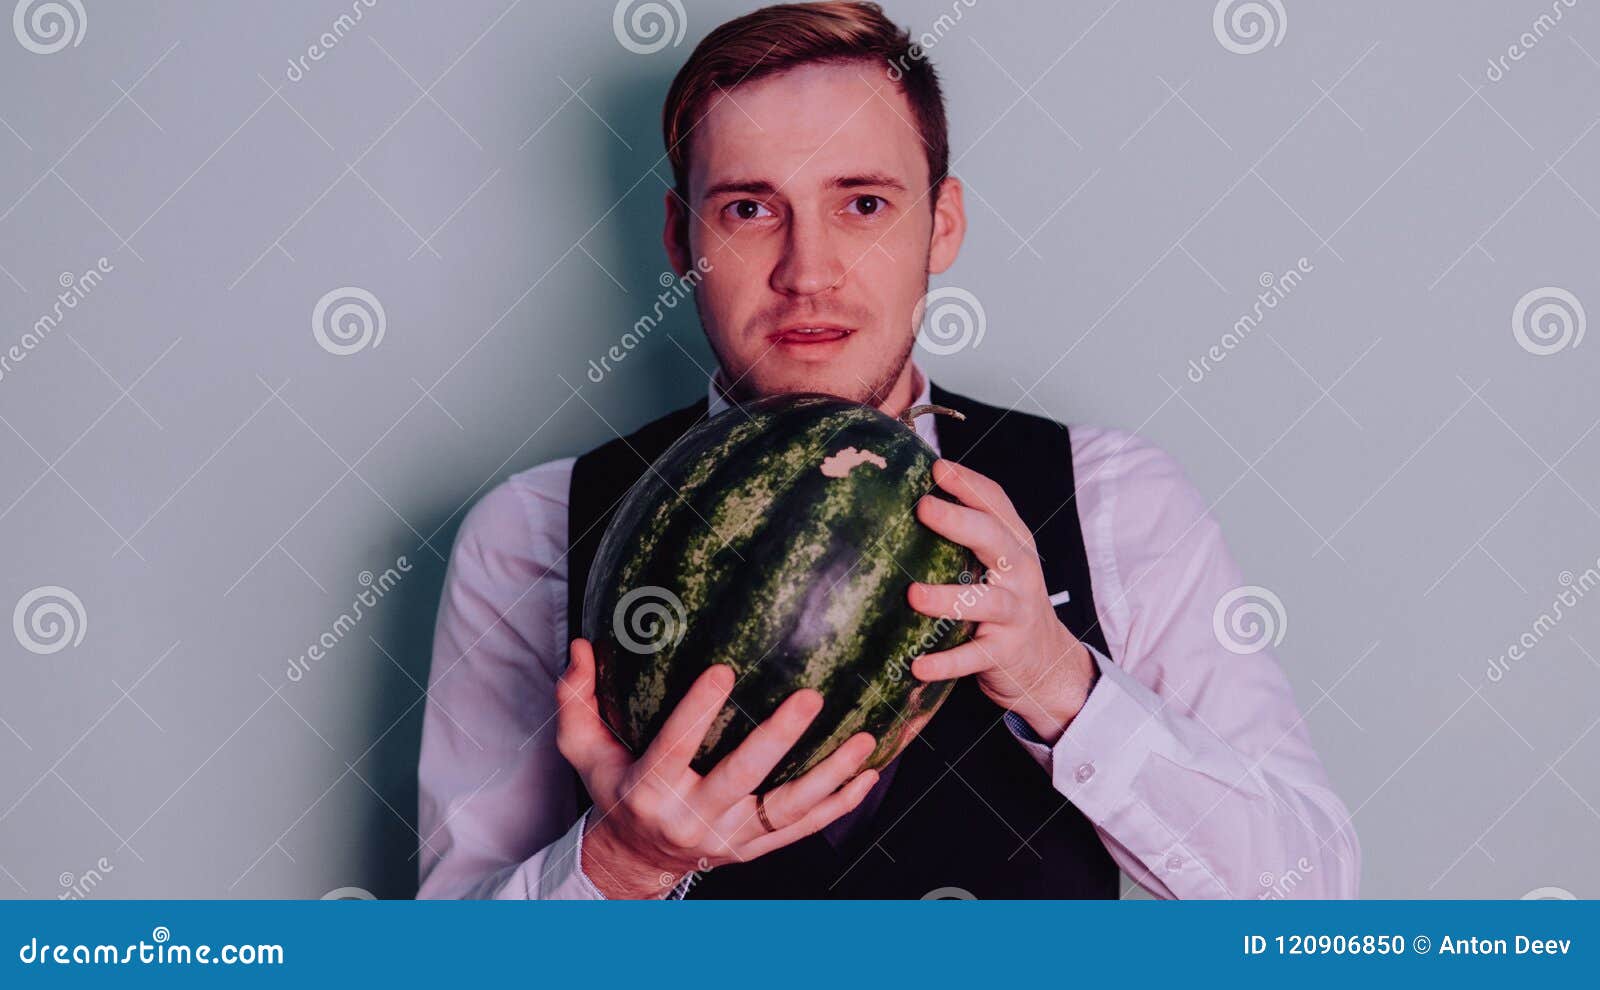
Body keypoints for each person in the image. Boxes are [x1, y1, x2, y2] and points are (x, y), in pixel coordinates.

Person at [416, 1, 1359, 900]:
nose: (808, 272)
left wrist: (1057, 683)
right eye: (749, 209)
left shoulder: (1113, 498)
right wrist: (619, 867)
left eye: (862, 203)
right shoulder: (536, 529)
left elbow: (1316, 900)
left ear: (941, 224)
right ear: (679, 236)